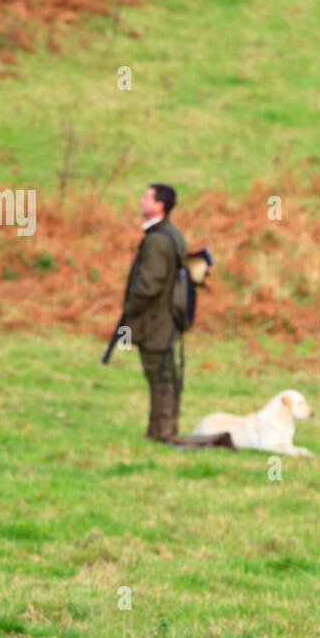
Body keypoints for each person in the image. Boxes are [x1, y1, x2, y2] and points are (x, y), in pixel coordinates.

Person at [122, 182, 188, 443]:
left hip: (155, 320)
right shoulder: (172, 234)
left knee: (159, 375)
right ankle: (165, 429)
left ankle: (162, 432)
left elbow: (149, 284)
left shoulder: (158, 240)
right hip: (168, 317)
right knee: (167, 373)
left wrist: (130, 309)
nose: (141, 201)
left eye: (146, 198)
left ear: (160, 205)